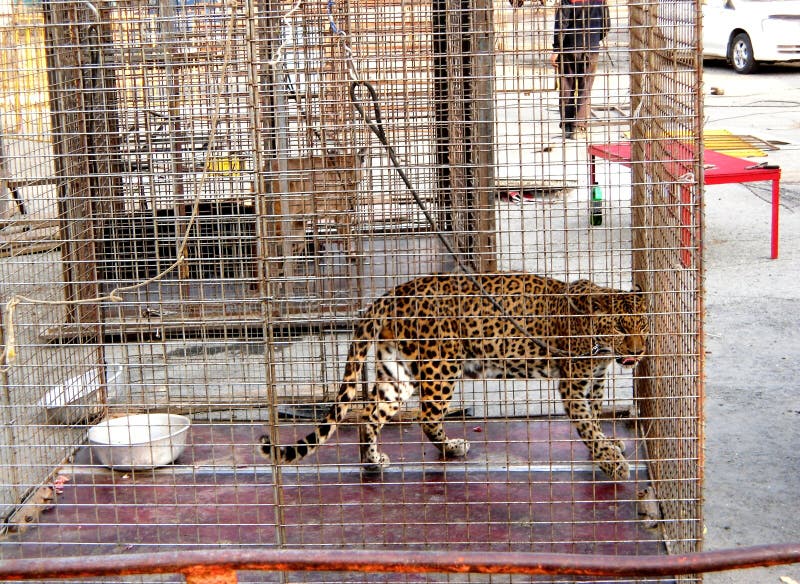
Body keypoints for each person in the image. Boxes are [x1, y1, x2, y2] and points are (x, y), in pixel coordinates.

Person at [550, 0, 610, 139]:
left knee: (566, 87)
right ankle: (580, 127)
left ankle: (567, 126)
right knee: (585, 88)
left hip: (569, 47)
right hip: (591, 48)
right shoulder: (600, 1)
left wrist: (556, 49)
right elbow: (606, 25)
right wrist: (594, 39)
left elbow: (561, 24)